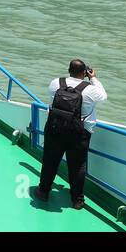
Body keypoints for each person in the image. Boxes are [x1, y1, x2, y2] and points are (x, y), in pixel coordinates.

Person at [31, 60, 107, 210]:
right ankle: (77, 200)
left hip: (54, 129)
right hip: (79, 133)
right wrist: (93, 78)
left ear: (68, 70)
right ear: (84, 73)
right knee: (77, 166)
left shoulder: (55, 83)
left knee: (50, 160)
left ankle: (43, 191)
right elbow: (103, 97)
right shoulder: (90, 89)